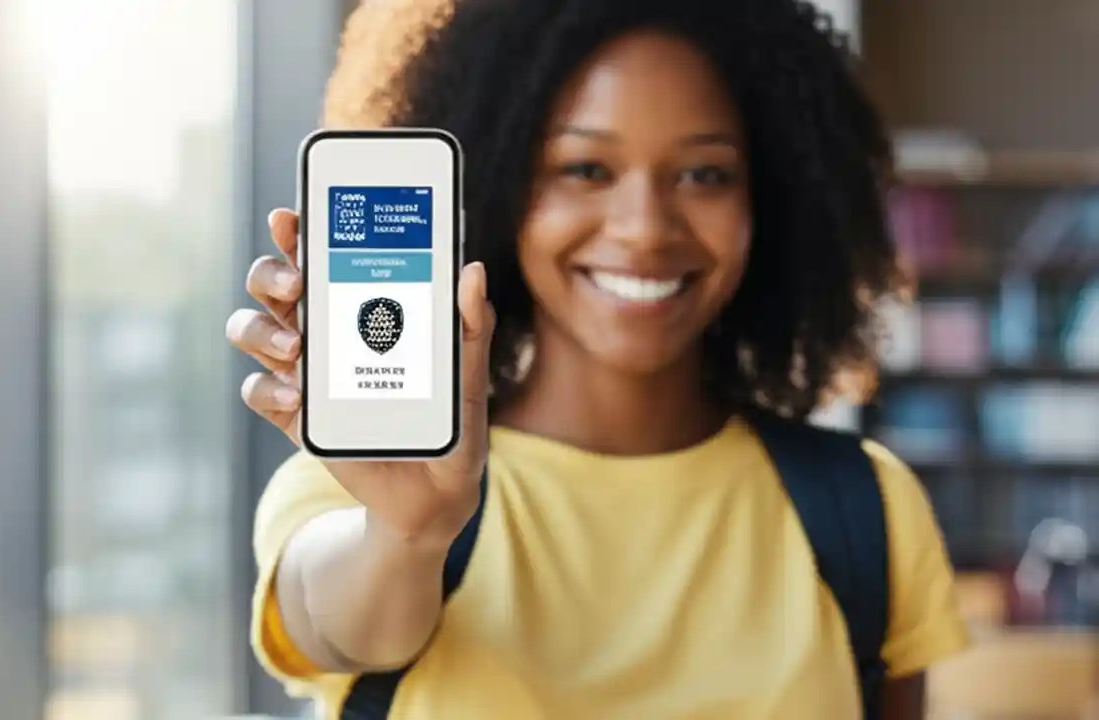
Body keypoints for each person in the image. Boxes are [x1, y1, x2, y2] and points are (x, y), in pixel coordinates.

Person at [225, 1, 970, 717]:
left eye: (704, 174)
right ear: (499, 185)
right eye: (584, 168)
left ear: (770, 199)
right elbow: (347, 626)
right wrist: (409, 534)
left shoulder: (866, 511)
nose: (645, 228)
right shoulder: (369, 487)